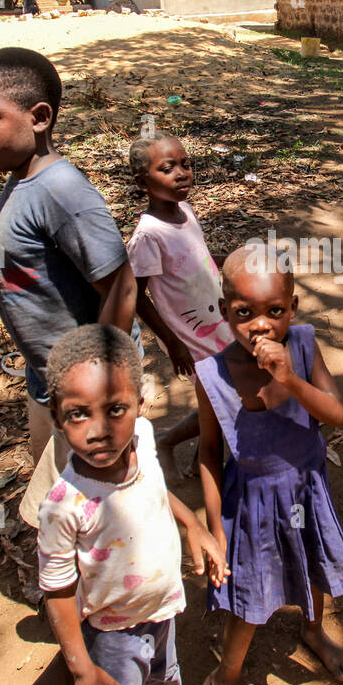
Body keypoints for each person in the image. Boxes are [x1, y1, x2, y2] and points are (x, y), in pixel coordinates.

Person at [0, 46, 138, 685]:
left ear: (38, 116)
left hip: (87, 394)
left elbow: (119, 282)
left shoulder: (62, 191)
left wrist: (108, 391)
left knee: (87, 524)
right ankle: (84, 629)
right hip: (50, 384)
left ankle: (91, 652)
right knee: (63, 515)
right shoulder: (23, 181)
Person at [195, 244, 343, 685]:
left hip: (305, 486)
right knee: (251, 594)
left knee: (313, 561)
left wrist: (291, 380)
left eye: (275, 312)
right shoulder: (212, 375)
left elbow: (337, 414)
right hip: (252, 504)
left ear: (293, 309)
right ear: (225, 311)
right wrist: (214, 530)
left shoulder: (304, 346)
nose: (260, 325)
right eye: (244, 313)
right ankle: (226, 679)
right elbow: (208, 453)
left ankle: (312, 630)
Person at [36, 324, 226, 685]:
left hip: (163, 612)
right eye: (78, 414)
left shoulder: (141, 435)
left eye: (115, 409)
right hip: (112, 634)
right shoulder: (64, 505)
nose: (100, 430)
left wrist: (192, 523)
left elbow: (153, 488)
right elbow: (56, 590)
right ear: (56, 417)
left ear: (139, 403)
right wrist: (80, 667)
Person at [125, 134, 233, 477]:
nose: (181, 173)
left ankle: (195, 457)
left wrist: (234, 260)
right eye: (167, 168)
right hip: (191, 338)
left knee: (220, 403)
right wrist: (173, 343)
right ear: (143, 182)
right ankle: (177, 449)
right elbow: (136, 296)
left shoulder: (185, 211)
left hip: (220, 323)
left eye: (185, 164)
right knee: (218, 404)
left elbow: (199, 263)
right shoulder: (147, 236)